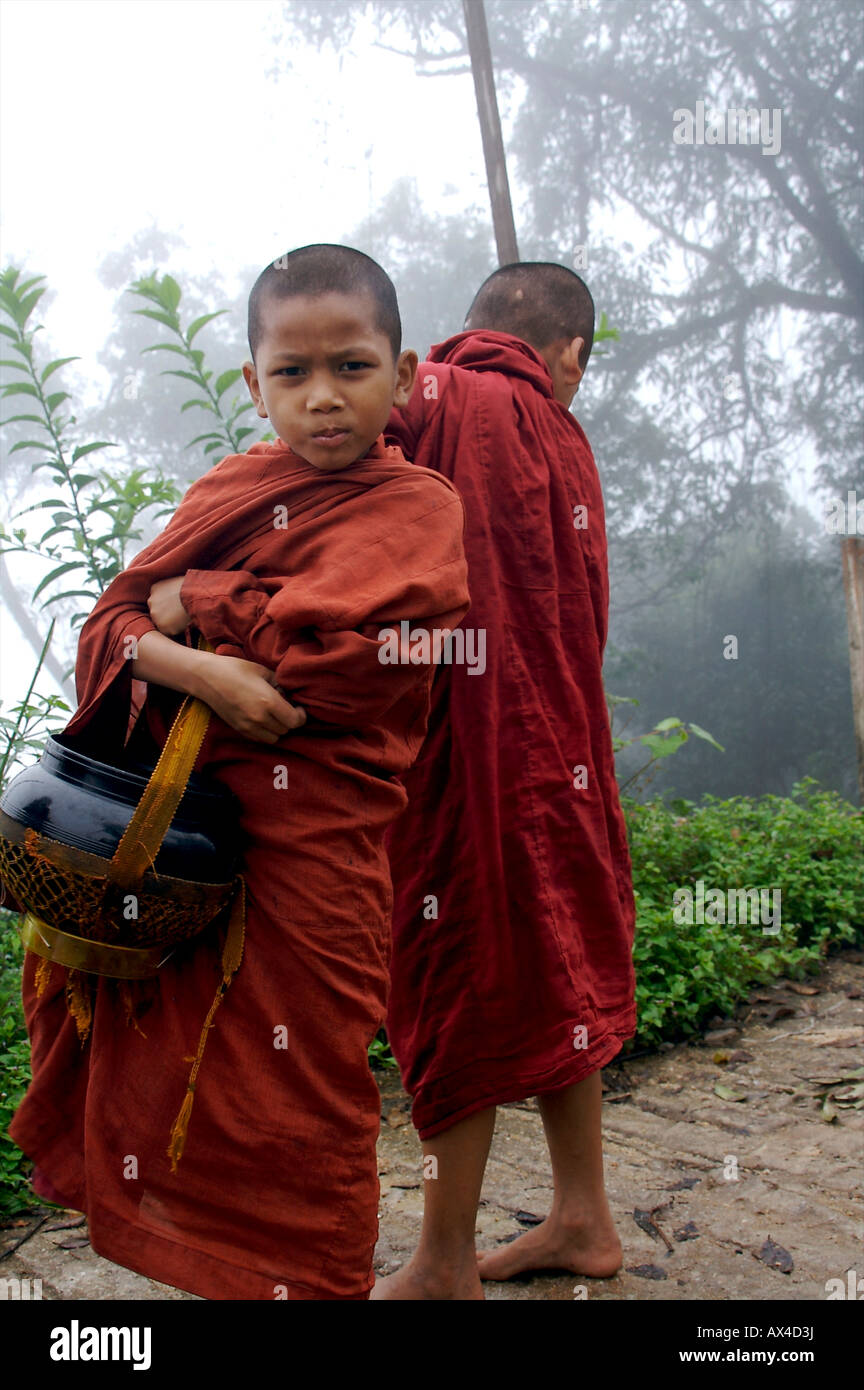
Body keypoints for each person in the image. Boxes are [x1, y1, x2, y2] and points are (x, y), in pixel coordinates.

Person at [9, 244, 470, 1301]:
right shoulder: (232, 489)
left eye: (352, 368)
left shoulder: (419, 507)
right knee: (183, 1081)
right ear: (253, 384)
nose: (323, 400)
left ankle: (313, 1282)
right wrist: (198, 663)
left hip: (318, 864)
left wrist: (197, 604)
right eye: (294, 373)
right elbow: (111, 626)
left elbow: (358, 665)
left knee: (304, 1100)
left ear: (402, 378)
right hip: (187, 849)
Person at [373, 262, 636, 1301]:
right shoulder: (561, 433)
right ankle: (582, 1216)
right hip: (559, 756)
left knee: (457, 978)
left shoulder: (431, 393)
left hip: (459, 754)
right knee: (556, 960)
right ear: (568, 354)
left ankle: (446, 1259)